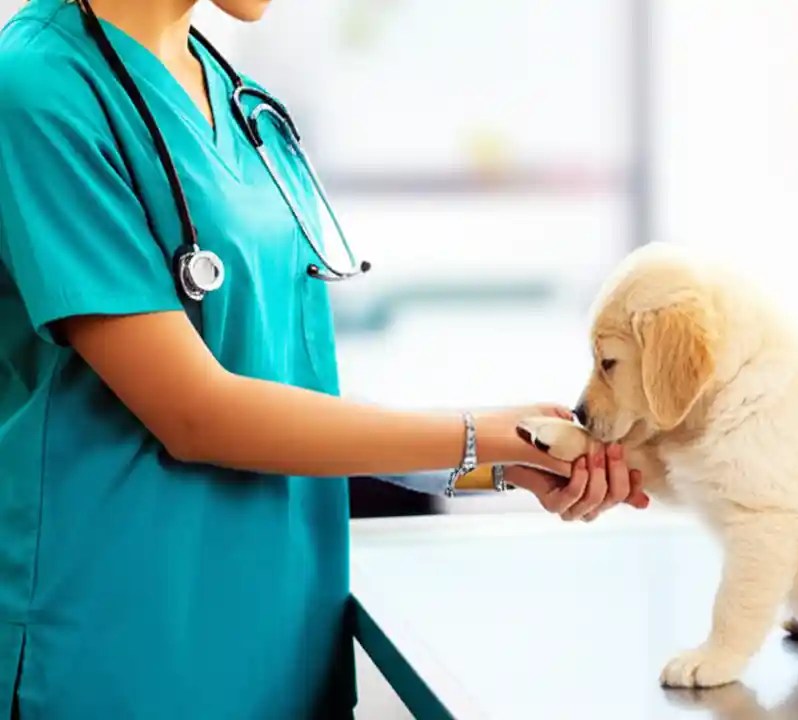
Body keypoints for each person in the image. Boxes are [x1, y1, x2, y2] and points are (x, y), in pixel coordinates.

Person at [0, 0, 645, 717]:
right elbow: (193, 413)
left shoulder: (229, 91)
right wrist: (476, 435)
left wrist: (501, 460)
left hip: (283, 637)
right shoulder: (37, 91)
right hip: (123, 644)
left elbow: (284, 388)